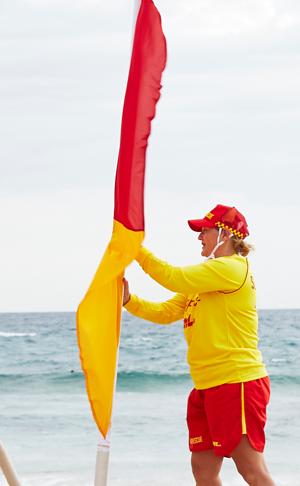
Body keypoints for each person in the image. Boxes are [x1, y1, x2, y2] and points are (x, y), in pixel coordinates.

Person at [120, 204, 274, 486]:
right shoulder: (207, 276)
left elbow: (172, 277)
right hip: (205, 386)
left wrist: (135, 249)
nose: (200, 236)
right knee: (203, 472)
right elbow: (167, 312)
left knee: (251, 471)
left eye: (205, 230)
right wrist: (130, 301)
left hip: (236, 382)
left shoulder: (230, 268)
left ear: (225, 234)